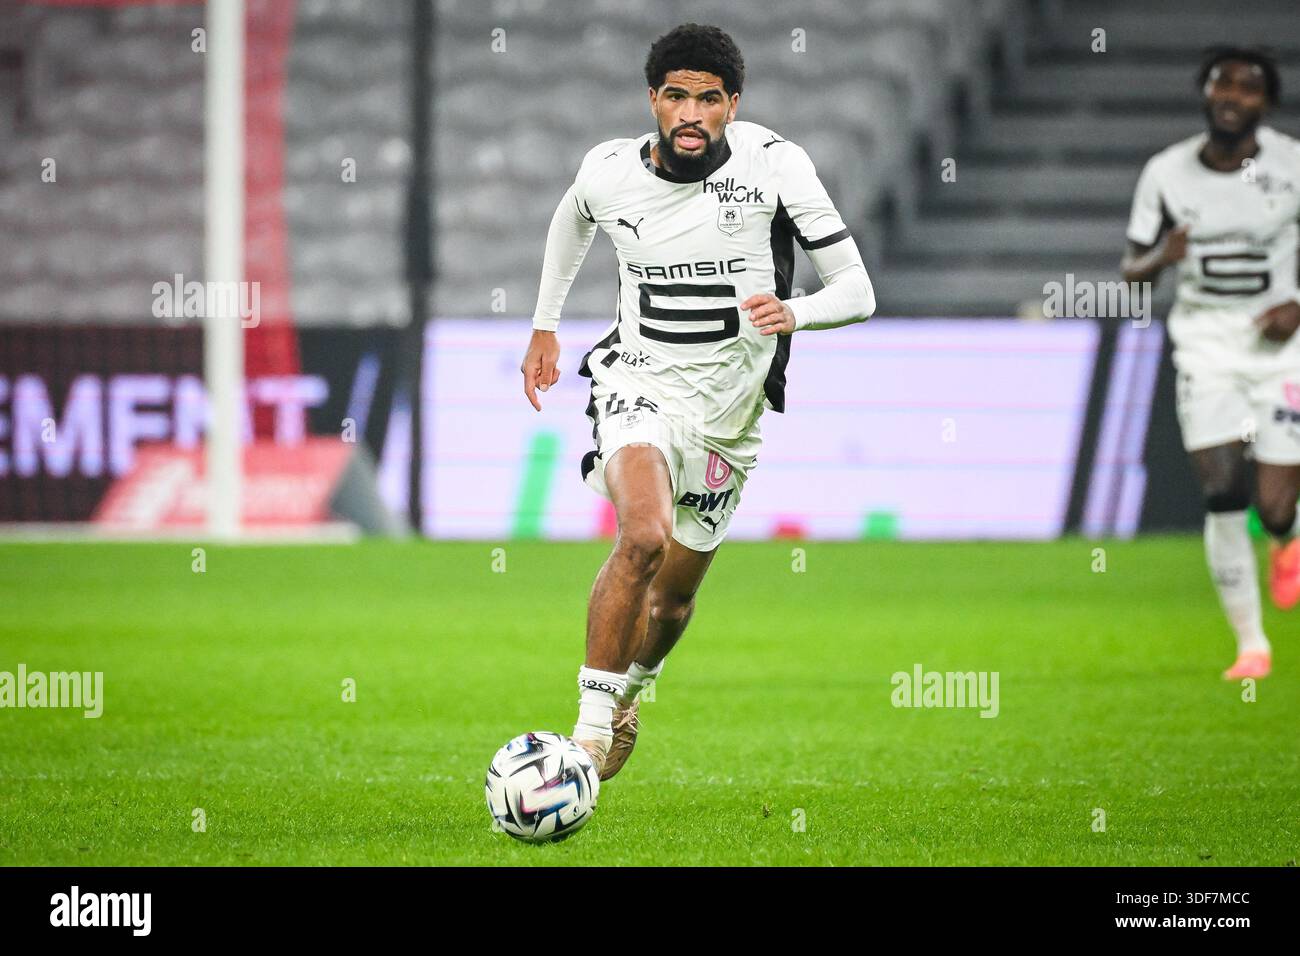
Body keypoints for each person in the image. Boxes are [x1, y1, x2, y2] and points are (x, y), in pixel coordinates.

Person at [519, 23, 876, 777]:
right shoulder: (610, 170)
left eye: (708, 99)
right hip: (637, 380)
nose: (690, 113)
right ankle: (586, 735)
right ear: (653, 100)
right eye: (675, 96)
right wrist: (544, 326)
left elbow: (858, 290)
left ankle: (632, 692)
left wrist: (797, 311)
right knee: (642, 536)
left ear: (732, 106)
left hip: (730, 411)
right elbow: (572, 218)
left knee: (673, 602)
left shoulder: (776, 166)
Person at [1122, 46, 1300, 680]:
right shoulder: (1166, 172)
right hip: (1203, 344)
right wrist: (1162, 258)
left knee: (1276, 507)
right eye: (1221, 84)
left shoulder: (1292, 165)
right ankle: (1252, 646)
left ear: (1266, 102)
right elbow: (1131, 268)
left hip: (1281, 349)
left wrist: (1297, 305)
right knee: (1222, 491)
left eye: (1248, 87)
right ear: (1204, 94)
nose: (1232, 95)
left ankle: (1286, 537)